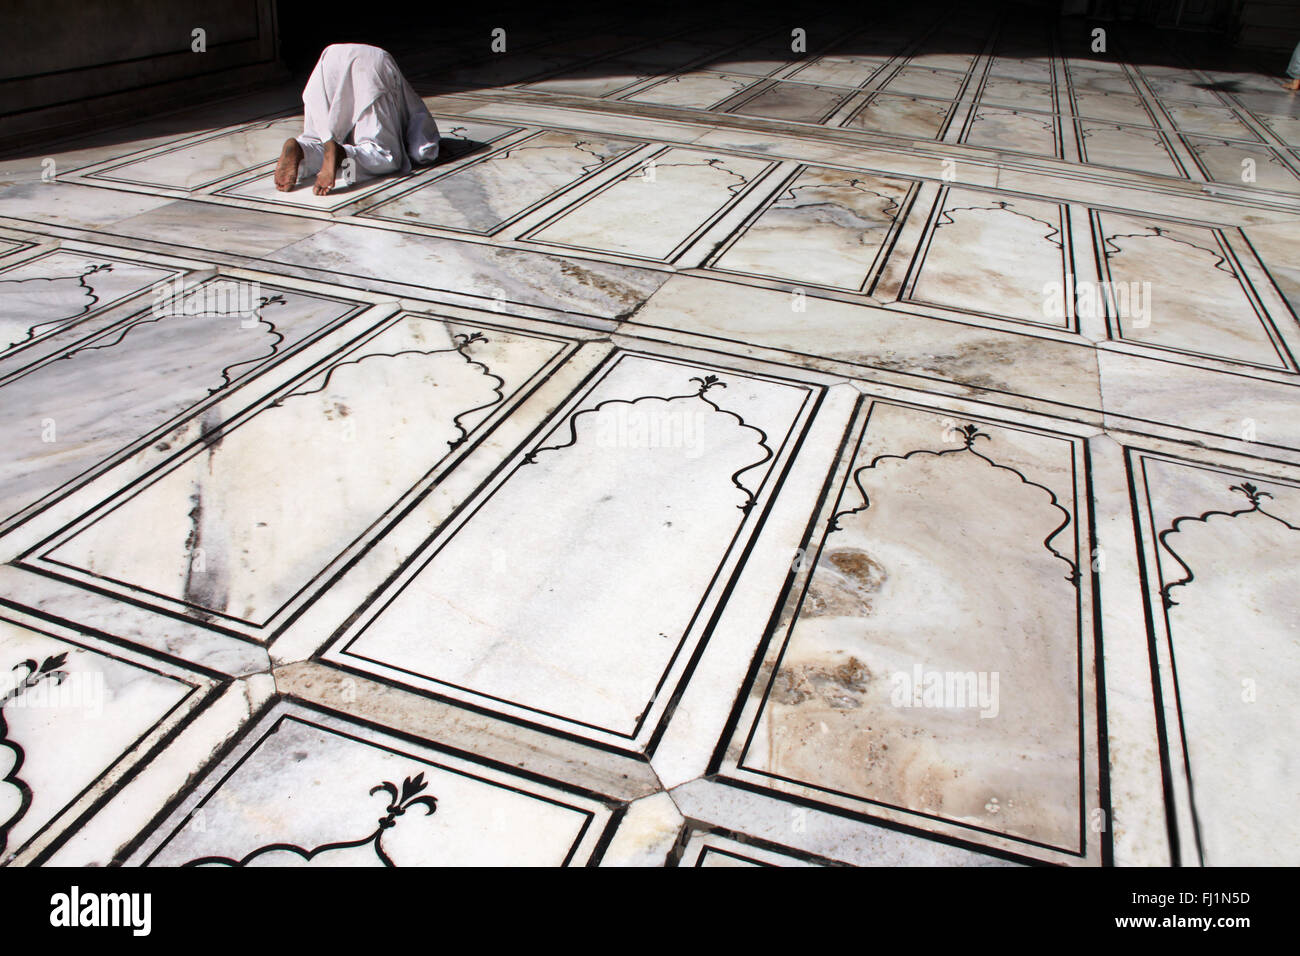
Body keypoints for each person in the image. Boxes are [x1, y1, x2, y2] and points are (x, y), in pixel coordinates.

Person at [274, 43, 440, 195]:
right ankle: (342, 154)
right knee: (385, 154)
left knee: (321, 138)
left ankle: (302, 150)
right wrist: (430, 149)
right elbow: (423, 146)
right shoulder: (408, 99)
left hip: (330, 58)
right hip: (372, 66)